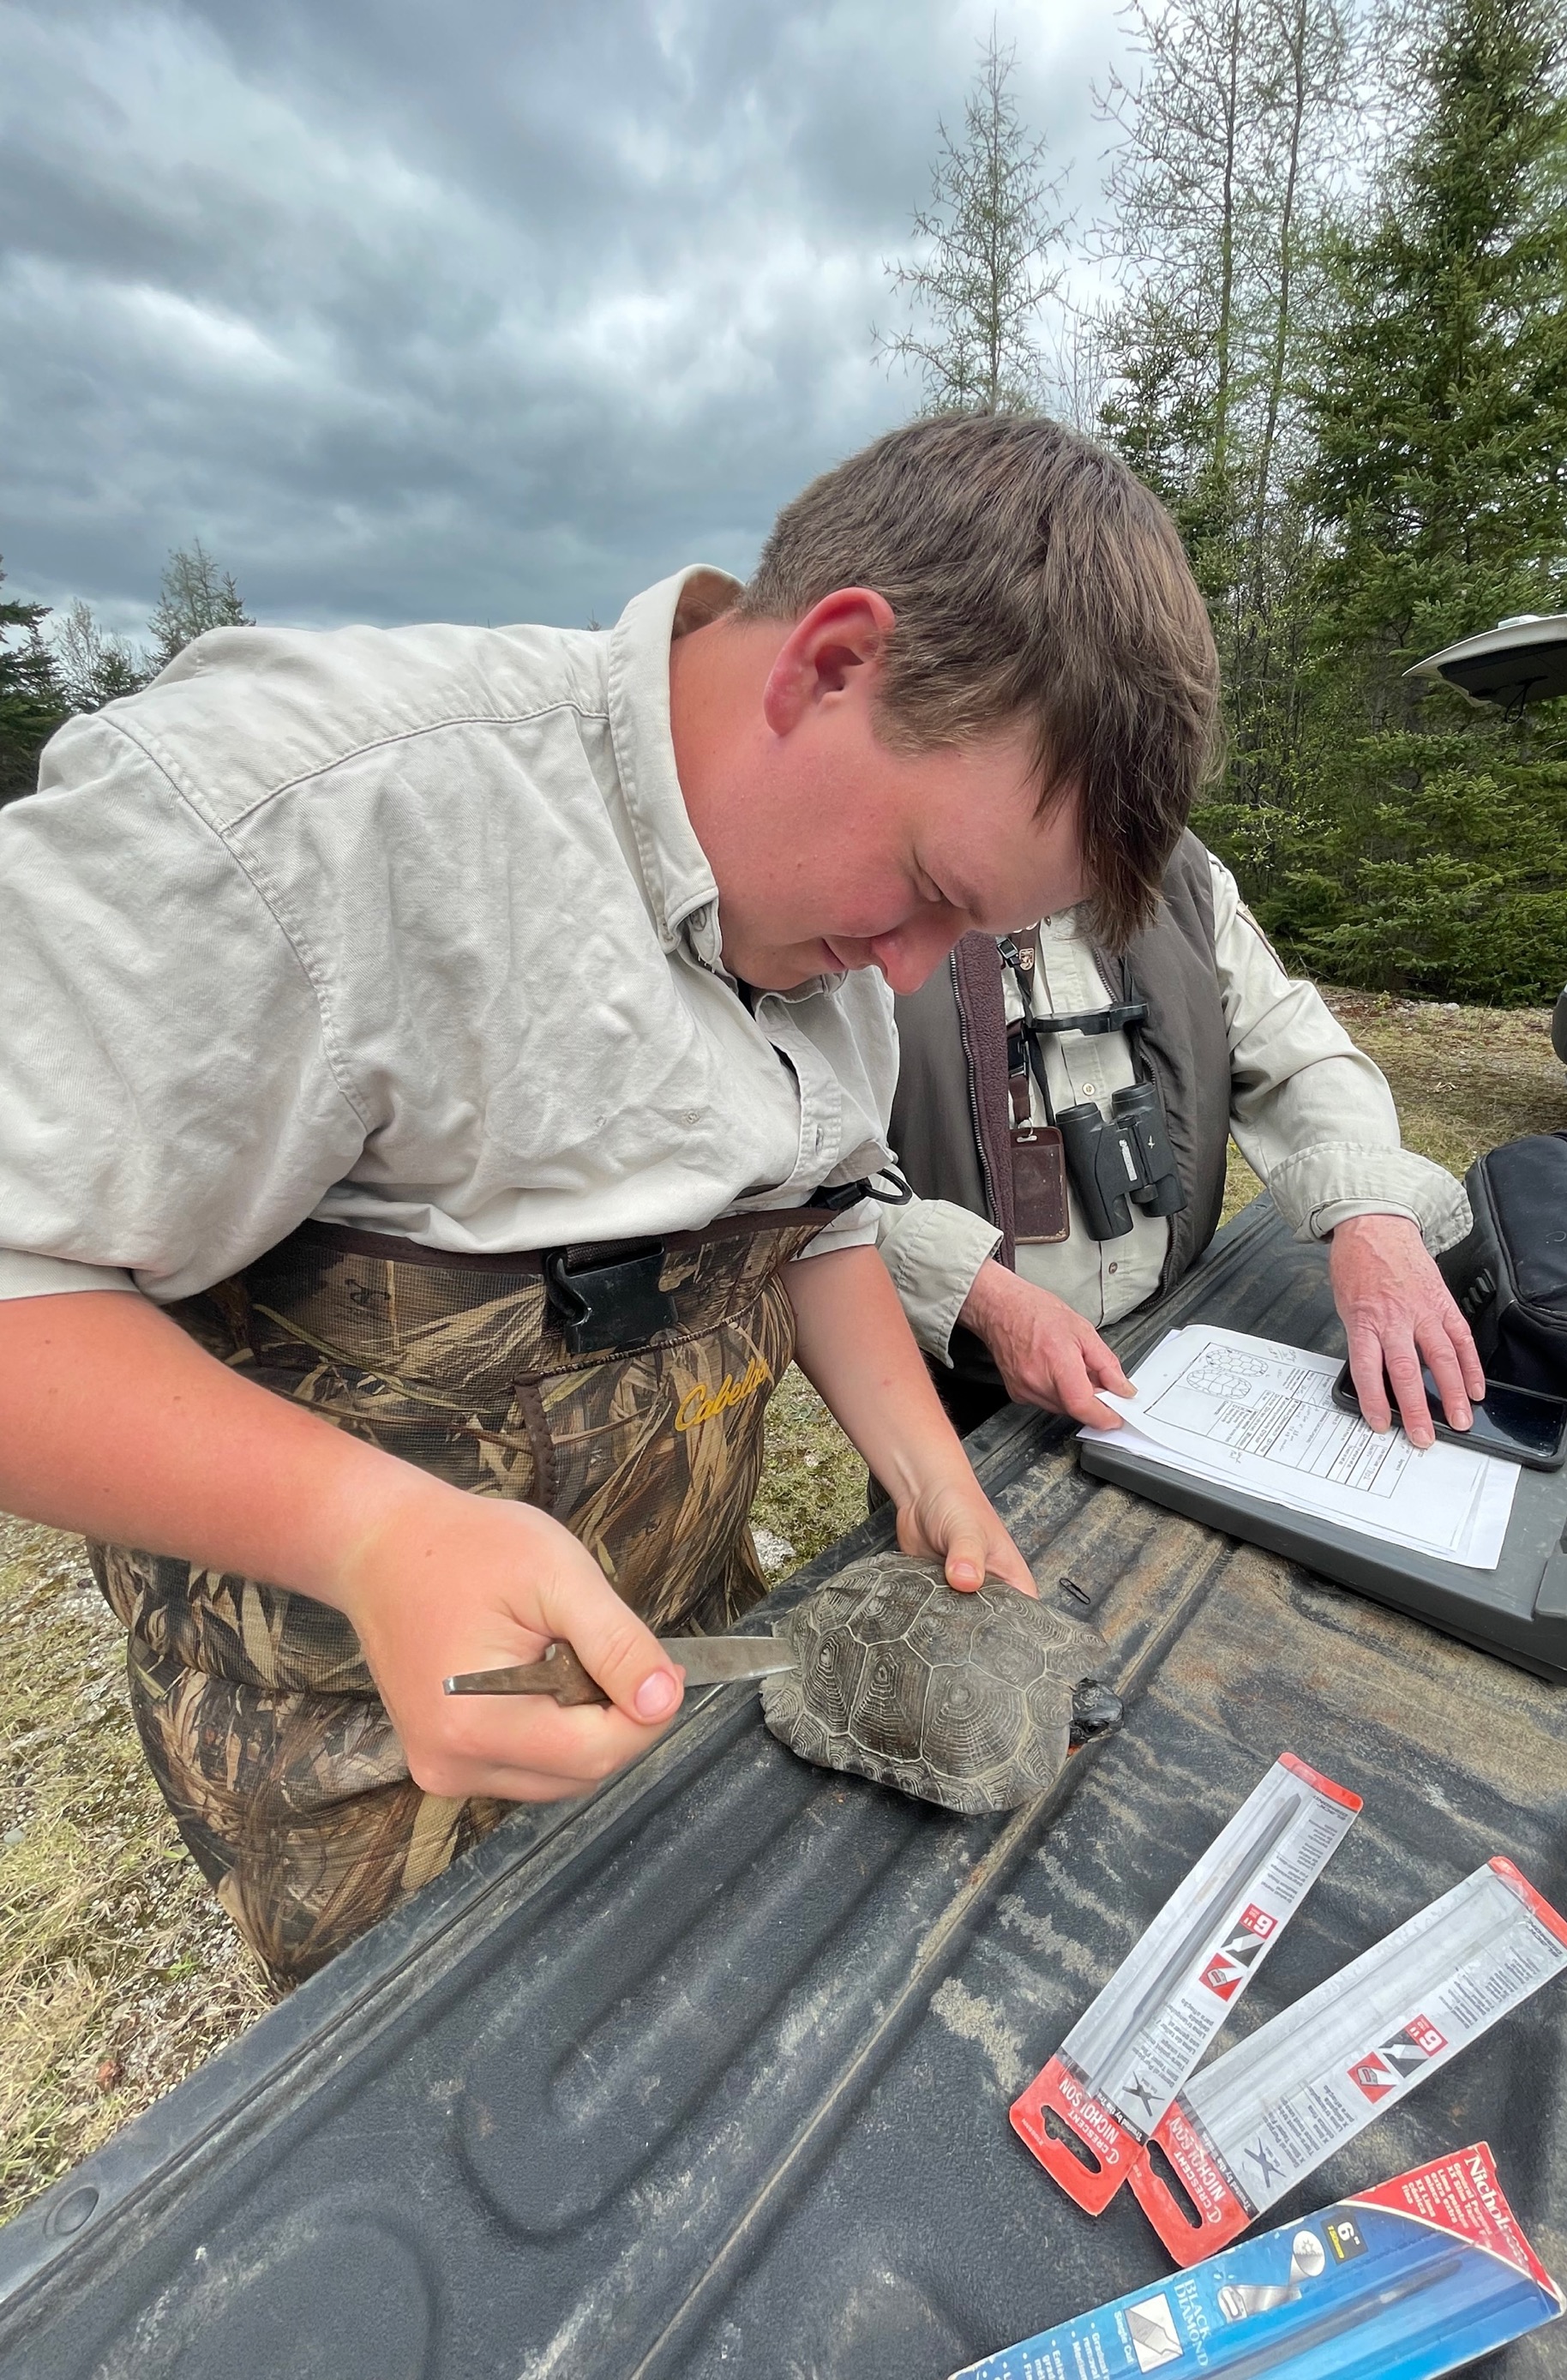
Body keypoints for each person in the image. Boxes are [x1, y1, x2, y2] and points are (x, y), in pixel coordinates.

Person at [0, 414, 1219, 1984]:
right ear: (831, 663)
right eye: (928, 889)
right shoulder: (313, 818)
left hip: (687, 1662)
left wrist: (920, 1463)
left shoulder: (825, 940)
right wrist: (369, 1535)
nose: (914, 971)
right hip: (365, 1742)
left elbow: (822, 1208)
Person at [878, 834, 1486, 1445]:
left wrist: (1373, 1215)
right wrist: (982, 1298)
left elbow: (1294, 1050)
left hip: (1176, 1348)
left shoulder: (1182, 869)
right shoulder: (875, 886)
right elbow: (819, 1178)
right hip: (956, 1389)